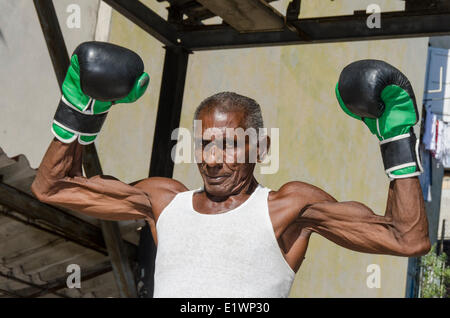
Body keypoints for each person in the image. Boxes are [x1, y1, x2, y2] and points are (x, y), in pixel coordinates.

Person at [31, 41, 431, 298]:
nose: (212, 158)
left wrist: (394, 139)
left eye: (228, 144)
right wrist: (81, 108)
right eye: (204, 142)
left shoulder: (289, 208)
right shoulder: (163, 200)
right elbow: (52, 187)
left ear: (261, 147)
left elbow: (407, 238)